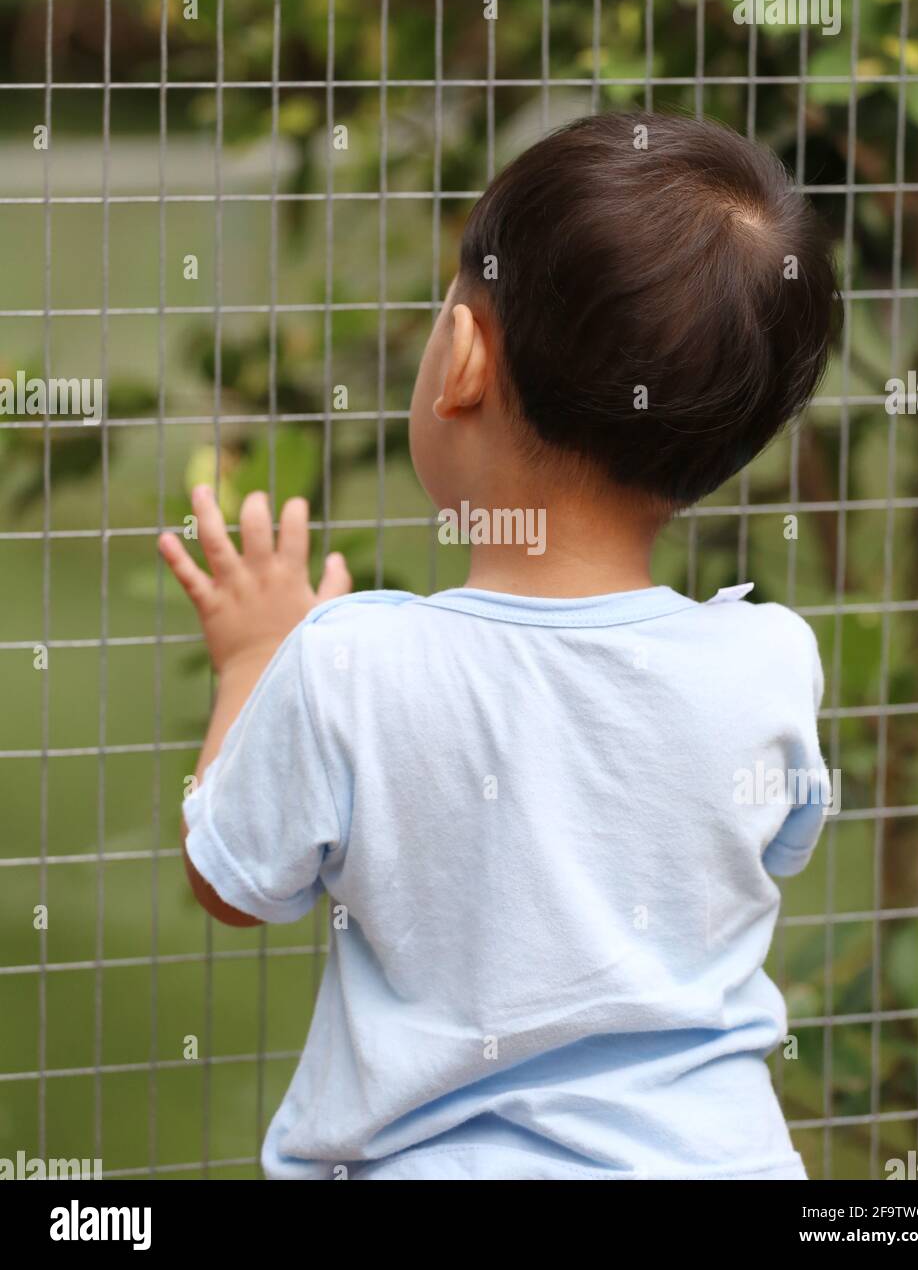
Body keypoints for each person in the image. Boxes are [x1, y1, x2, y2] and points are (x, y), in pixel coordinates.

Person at [160, 110, 839, 1180]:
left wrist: (253, 665)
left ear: (464, 359)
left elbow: (229, 880)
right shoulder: (768, 663)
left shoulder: (349, 666)